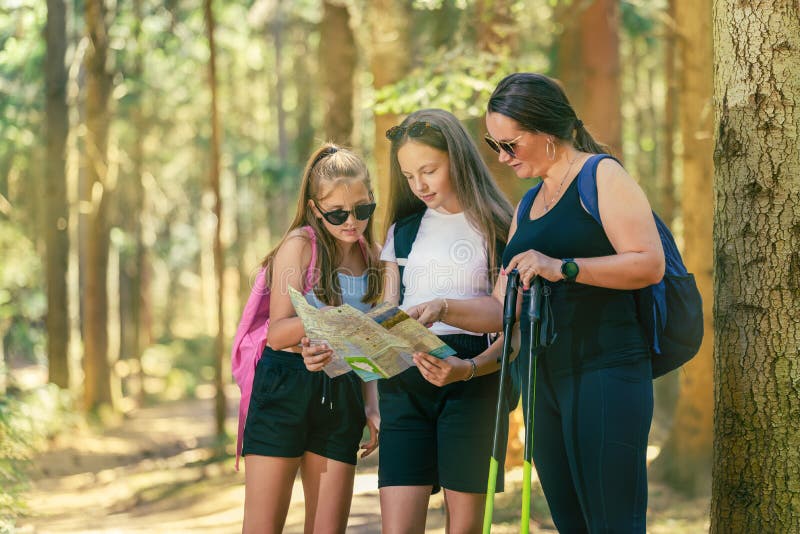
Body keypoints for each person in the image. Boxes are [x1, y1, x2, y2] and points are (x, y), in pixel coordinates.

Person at [413, 72, 665, 532]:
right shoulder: (527, 206)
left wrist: (563, 266)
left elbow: (649, 263)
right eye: (495, 146)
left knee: (613, 523)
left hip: (607, 372)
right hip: (542, 383)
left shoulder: (601, 174)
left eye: (511, 144)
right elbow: (501, 310)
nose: (503, 157)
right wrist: (443, 308)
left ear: (547, 131)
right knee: (571, 522)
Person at [377, 108, 515, 533]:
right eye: (408, 175)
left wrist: (465, 359)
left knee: (466, 528)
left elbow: (508, 321)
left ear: (456, 157)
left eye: (429, 170)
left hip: (472, 380)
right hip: (403, 377)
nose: (418, 185)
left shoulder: (499, 226)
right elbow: (387, 309)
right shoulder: (402, 230)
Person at [241, 143, 382, 534]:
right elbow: (277, 332)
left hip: (343, 392)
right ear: (315, 207)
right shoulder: (300, 247)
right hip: (285, 387)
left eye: (362, 210)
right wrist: (327, 320)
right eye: (338, 213)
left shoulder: (373, 256)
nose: (351, 222)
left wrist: (372, 406)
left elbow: (369, 342)